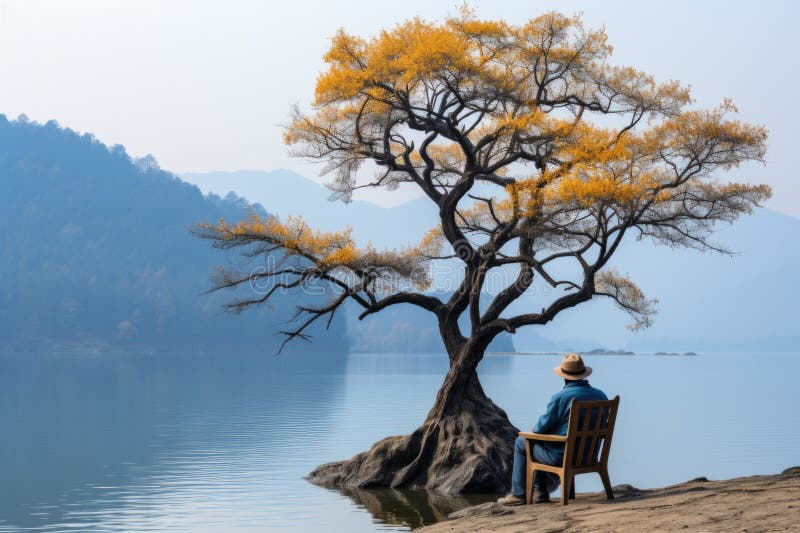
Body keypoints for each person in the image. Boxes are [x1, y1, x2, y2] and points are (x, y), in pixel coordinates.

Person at [498, 353, 608, 505]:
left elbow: (540, 428)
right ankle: (540, 492)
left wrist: (534, 430)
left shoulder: (561, 397)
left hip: (563, 457)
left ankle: (518, 494)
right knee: (541, 442)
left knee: (523, 441)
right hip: (590, 456)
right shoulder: (601, 395)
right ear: (582, 374)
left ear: (564, 376)